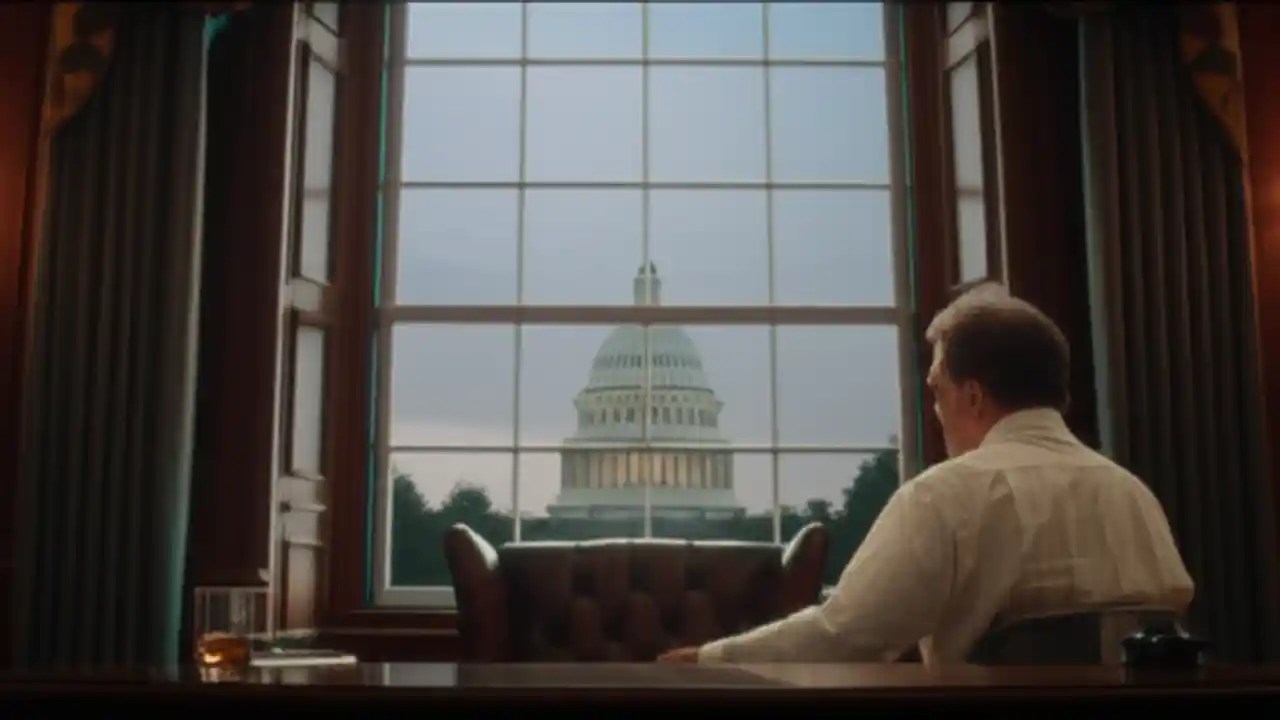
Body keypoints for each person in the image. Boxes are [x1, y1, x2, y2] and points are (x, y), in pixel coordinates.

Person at [658, 282, 1194, 665]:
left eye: (936, 390)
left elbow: (845, 639)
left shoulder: (946, 496)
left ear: (973, 395)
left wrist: (708, 658)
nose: (935, 410)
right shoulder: (1134, 494)